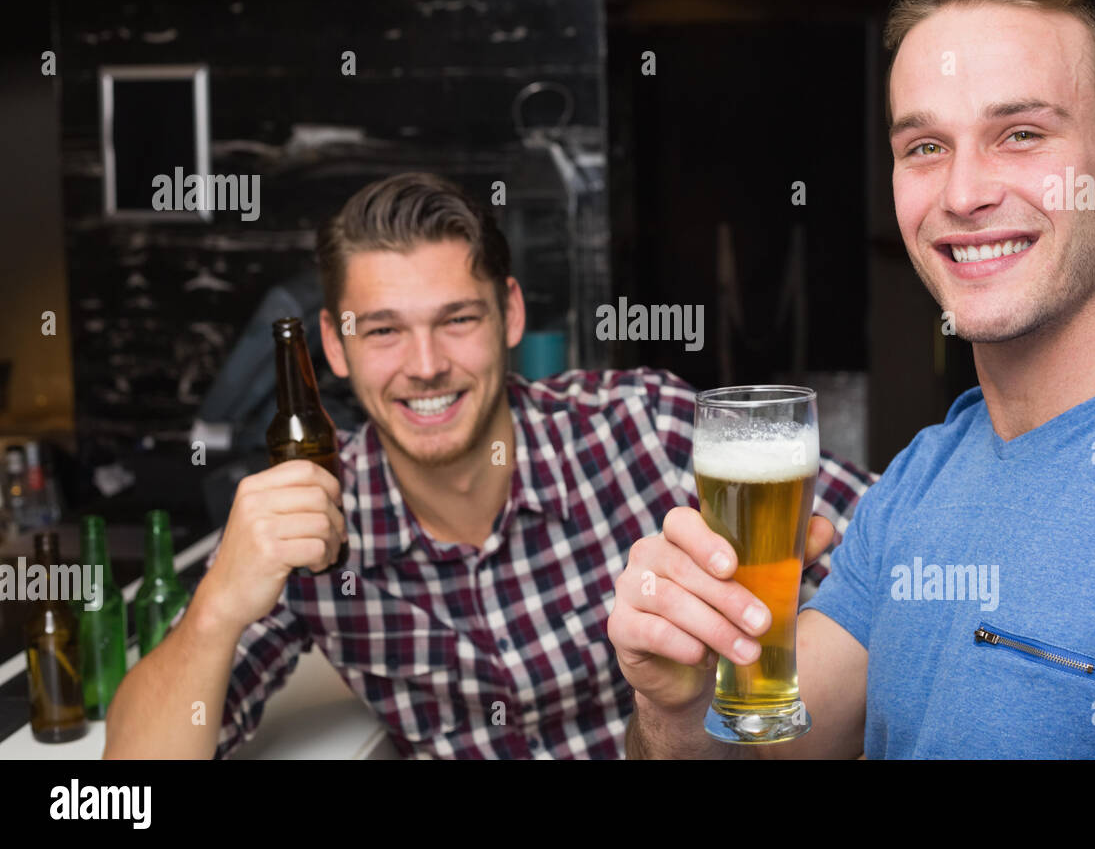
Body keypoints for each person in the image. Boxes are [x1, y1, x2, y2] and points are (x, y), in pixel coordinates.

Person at [612, 0, 1095, 759]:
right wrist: (674, 704)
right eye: (925, 148)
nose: (964, 194)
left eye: (1020, 134)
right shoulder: (920, 478)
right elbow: (771, 750)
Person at [103, 172, 871, 759]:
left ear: (509, 313)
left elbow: (894, 538)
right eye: (383, 332)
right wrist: (217, 606)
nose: (426, 365)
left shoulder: (640, 425)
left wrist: (770, 651)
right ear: (334, 347)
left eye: (457, 320)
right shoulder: (320, 524)